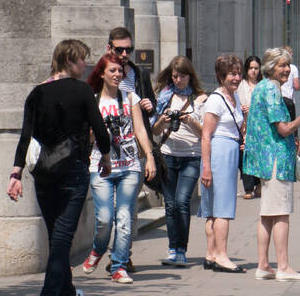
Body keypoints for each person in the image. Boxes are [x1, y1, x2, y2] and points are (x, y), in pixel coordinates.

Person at [9, 39, 112, 296]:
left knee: (58, 237)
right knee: (62, 239)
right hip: (73, 171)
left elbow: (24, 137)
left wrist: (15, 173)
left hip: (43, 174)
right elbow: (100, 131)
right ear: (69, 61)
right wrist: (105, 156)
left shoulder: (36, 94)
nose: (85, 65)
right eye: (82, 60)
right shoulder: (82, 92)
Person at [84, 52, 157, 282]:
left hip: (129, 165)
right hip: (101, 166)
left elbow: (140, 130)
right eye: (112, 71)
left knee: (125, 217)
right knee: (105, 218)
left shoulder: (130, 97)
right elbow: (85, 138)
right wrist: (94, 134)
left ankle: (118, 265)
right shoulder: (93, 100)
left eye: (120, 71)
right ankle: (97, 249)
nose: (117, 75)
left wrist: (150, 156)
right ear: (102, 74)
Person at [244, 47, 300, 280]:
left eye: (287, 65)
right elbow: (282, 128)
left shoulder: (261, 88)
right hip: (275, 159)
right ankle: (283, 266)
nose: (286, 69)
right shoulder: (271, 90)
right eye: (282, 65)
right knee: (281, 213)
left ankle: (264, 265)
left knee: (268, 214)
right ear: (271, 66)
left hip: (264, 159)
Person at [152, 56, 207, 268]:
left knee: (183, 202)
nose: (178, 80)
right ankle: (172, 248)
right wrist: (162, 120)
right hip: (167, 156)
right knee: (170, 204)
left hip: (191, 157)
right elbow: (155, 131)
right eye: (175, 76)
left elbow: (205, 132)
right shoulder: (164, 96)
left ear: (189, 76)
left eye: (182, 76)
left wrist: (190, 120)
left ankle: (182, 249)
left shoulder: (200, 98)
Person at [200, 54, 246, 273]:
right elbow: (206, 135)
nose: (237, 78)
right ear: (221, 76)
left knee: (213, 209)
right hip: (220, 151)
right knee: (223, 208)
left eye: (238, 73)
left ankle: (211, 253)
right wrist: (207, 167)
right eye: (232, 74)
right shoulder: (216, 100)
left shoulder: (232, 98)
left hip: (227, 149)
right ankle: (222, 255)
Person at [106, 26, 156, 117]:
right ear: (109, 49)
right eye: (119, 50)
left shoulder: (140, 73)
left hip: (137, 128)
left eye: (128, 50)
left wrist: (150, 106)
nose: (124, 54)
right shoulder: (101, 74)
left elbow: (152, 103)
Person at [238, 56, 263, 198]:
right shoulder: (241, 85)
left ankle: (258, 184)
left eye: (256, 68)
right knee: (244, 156)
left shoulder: (262, 85)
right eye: (250, 68)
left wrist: (253, 108)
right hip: (243, 126)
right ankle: (248, 188)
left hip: (259, 128)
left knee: (258, 156)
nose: (253, 71)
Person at [280, 44, 300, 115]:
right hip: (289, 99)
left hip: (279, 99)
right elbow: (296, 86)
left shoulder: (277, 67)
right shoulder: (293, 68)